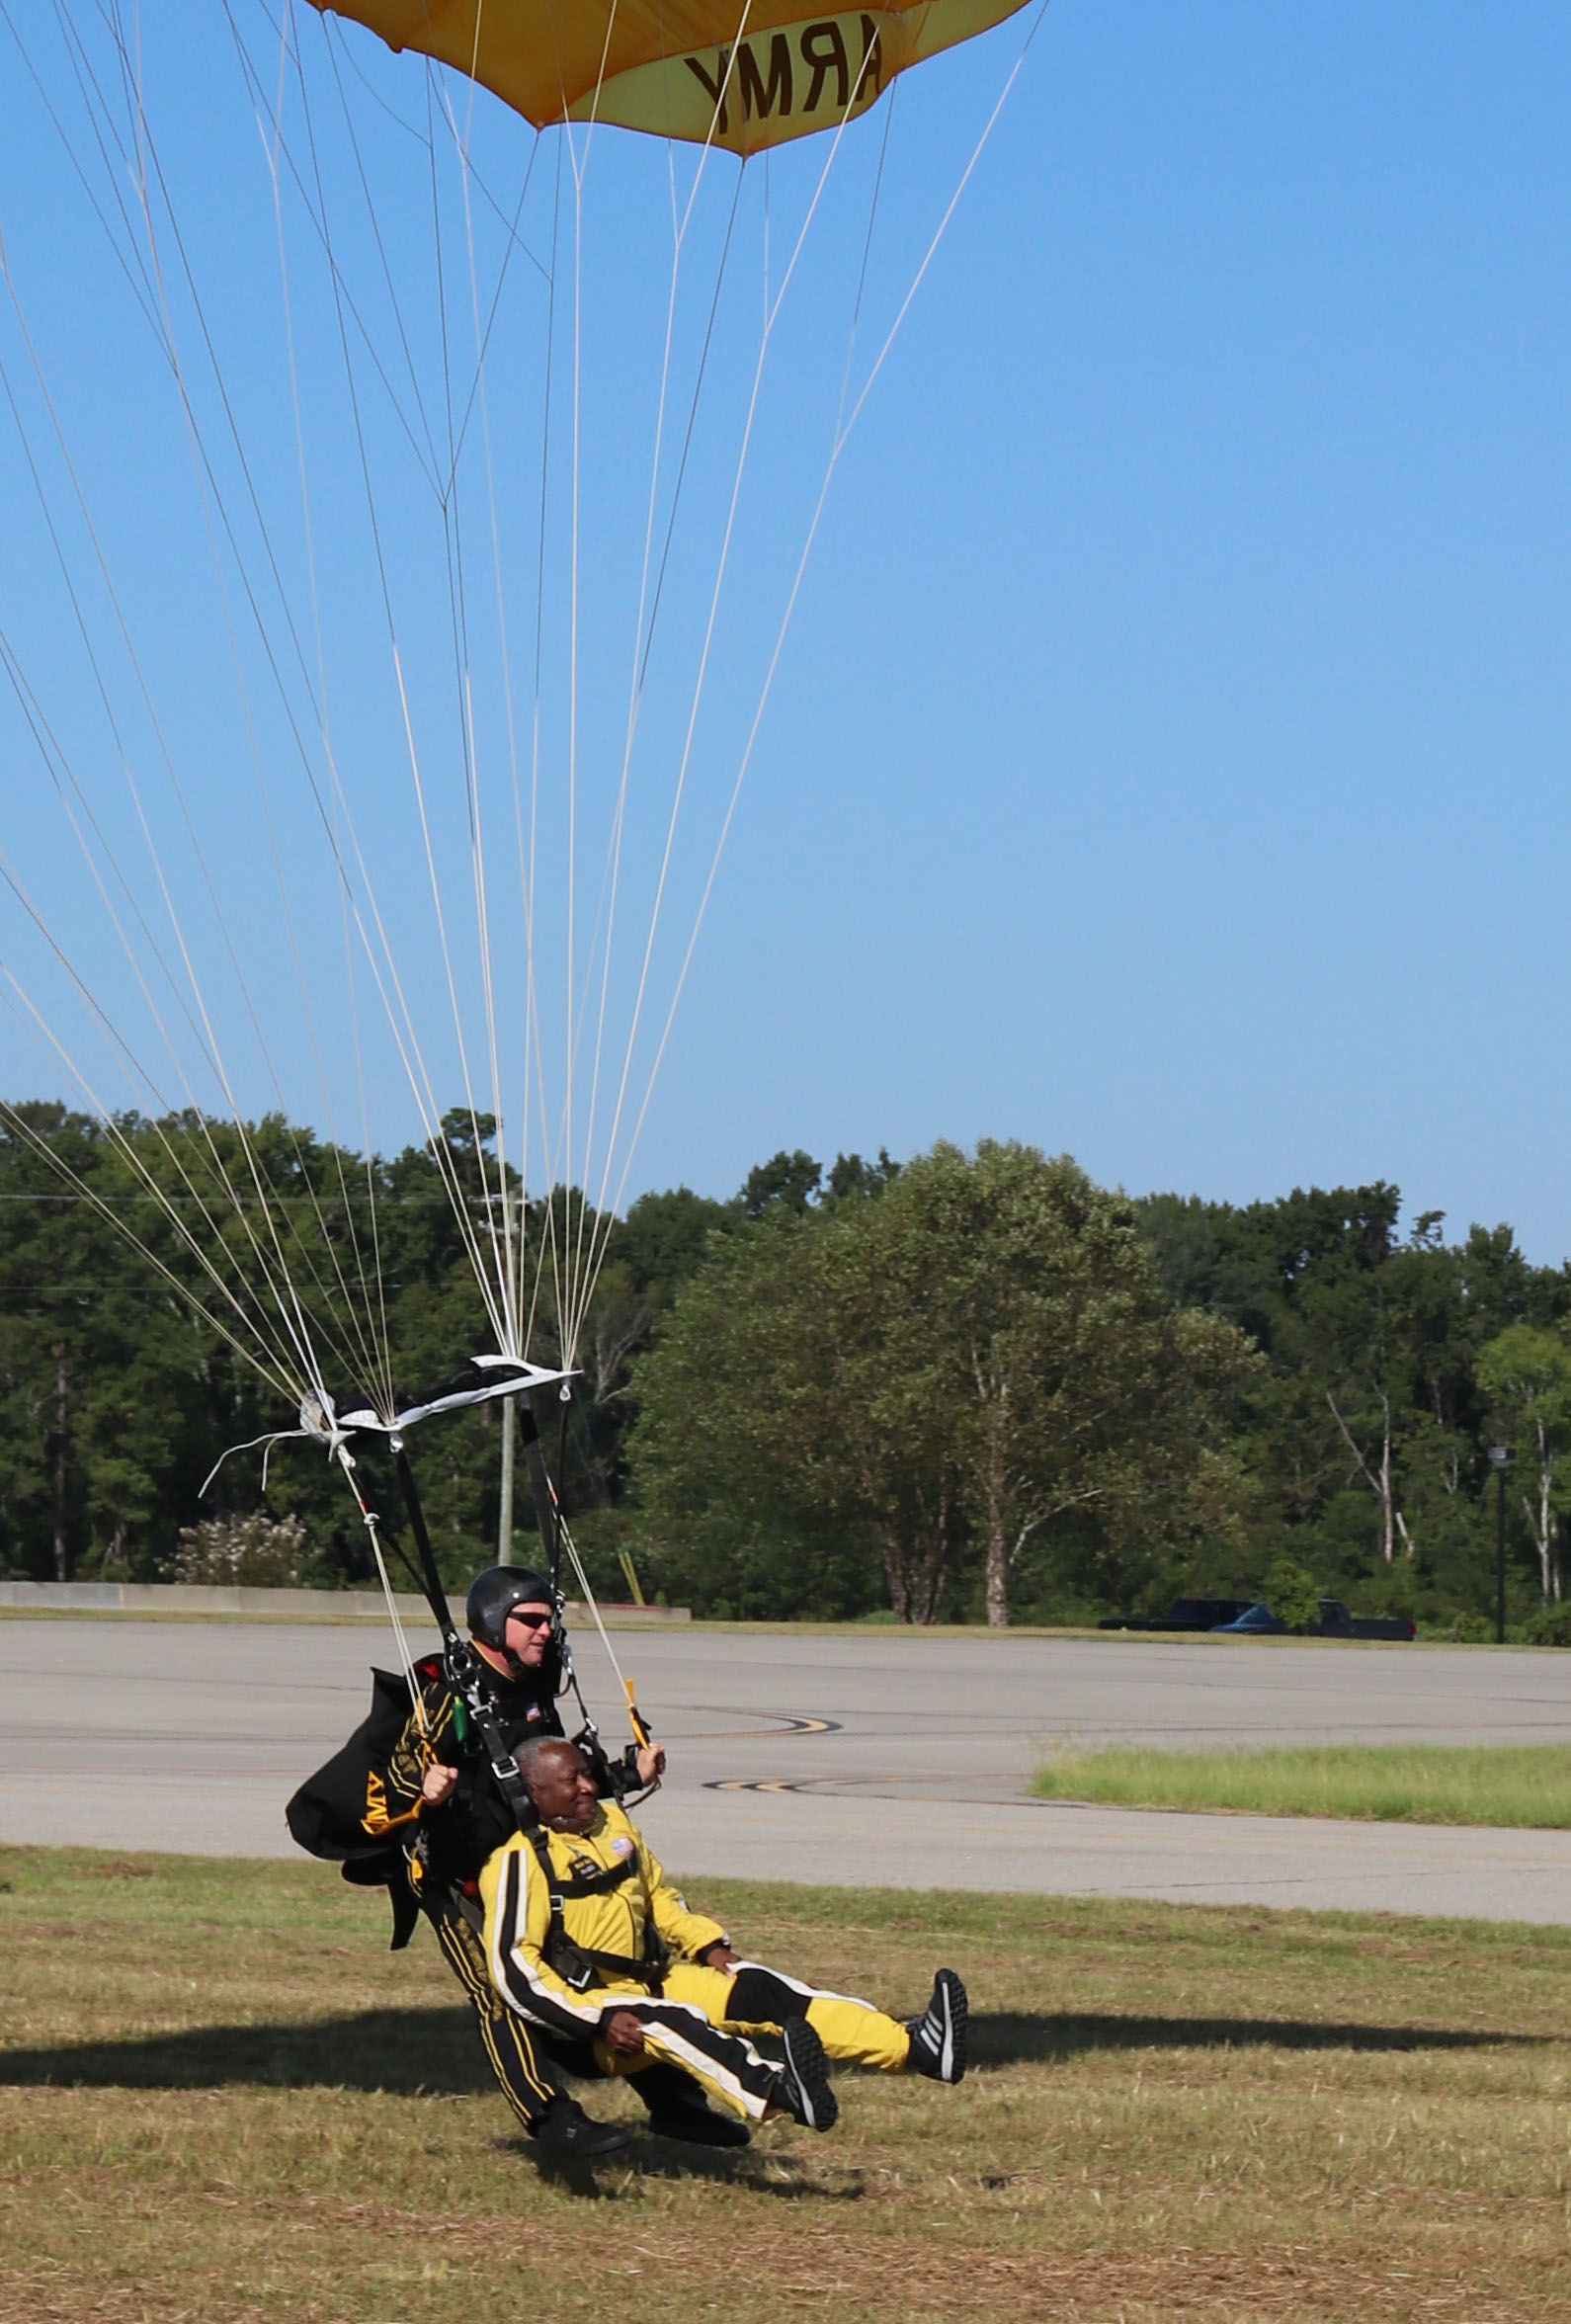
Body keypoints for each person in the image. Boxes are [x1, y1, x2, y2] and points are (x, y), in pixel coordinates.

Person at [364, 1565, 730, 2159]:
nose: (545, 1631)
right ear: (492, 1622)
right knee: (498, 1988)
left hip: (531, 1862)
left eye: (549, 1620)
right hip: (456, 1875)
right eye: (531, 1620)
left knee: (602, 1965)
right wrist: (424, 1788)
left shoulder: (533, 1686)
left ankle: (674, 2103)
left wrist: (626, 1774)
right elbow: (391, 1776)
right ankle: (550, 2117)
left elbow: (557, 1773)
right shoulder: (449, 1693)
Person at [479, 1737, 968, 2133]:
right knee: (677, 2021)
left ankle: (918, 2048)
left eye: (587, 1774)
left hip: (653, 1980)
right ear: (533, 1794)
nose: (589, 1787)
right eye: (572, 1781)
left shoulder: (613, 1825)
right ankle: (778, 2090)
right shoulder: (518, 1863)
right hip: (594, 2018)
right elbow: (516, 1973)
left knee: (761, 1988)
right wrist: (596, 2020)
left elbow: (658, 1896)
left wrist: (707, 1945)